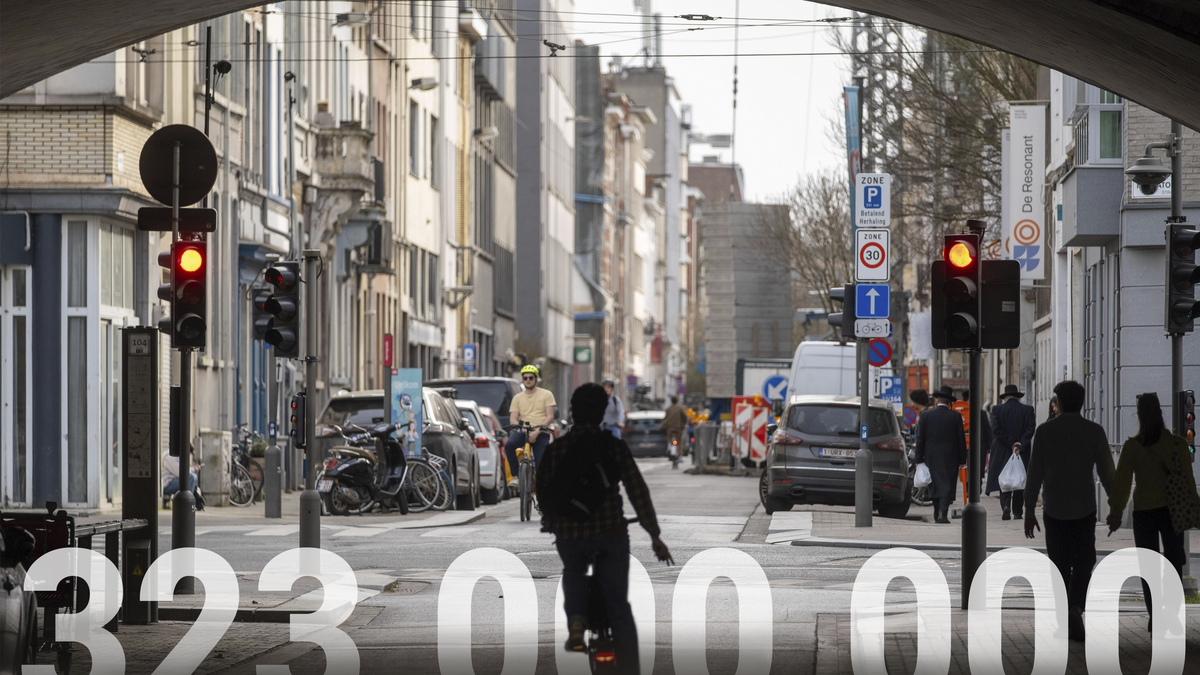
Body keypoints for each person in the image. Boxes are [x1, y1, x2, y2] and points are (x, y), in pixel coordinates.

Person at [538, 382, 673, 673]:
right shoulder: (613, 447)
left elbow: (544, 494)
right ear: (602, 413)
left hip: (570, 535)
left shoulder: (556, 450)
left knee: (573, 570)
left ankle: (576, 619)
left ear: (572, 412)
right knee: (618, 607)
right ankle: (630, 669)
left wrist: (552, 524)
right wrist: (654, 536)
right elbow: (638, 492)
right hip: (610, 534)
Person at [1023, 380, 1114, 641]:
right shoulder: (1094, 431)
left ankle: (1065, 616)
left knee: (1059, 566)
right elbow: (1108, 474)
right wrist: (1116, 507)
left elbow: (1034, 475)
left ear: (1058, 403)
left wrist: (1029, 510)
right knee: (1085, 563)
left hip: (1054, 510)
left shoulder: (1044, 432)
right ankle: (1076, 608)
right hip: (1084, 509)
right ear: (1082, 402)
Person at [1106, 392, 1196, 630]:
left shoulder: (1132, 447)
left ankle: (1156, 615)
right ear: (1160, 412)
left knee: (1149, 566)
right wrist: (1196, 507)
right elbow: (1188, 480)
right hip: (1171, 511)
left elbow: (1122, 483)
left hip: (1144, 513)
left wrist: (1116, 512)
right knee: (1174, 560)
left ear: (1139, 415)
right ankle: (1170, 611)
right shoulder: (1177, 444)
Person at [914, 386, 967, 524]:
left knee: (934, 484)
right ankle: (943, 513)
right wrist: (963, 459)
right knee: (947, 484)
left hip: (930, 456)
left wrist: (918, 458)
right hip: (951, 457)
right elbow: (961, 439)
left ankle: (937, 512)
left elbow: (920, 439)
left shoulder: (926, 415)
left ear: (937, 400)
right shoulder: (955, 416)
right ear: (950, 403)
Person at [987, 384, 1036, 520]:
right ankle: (1018, 511)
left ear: (1005, 398)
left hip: (1002, 448)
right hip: (1022, 450)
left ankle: (1006, 505)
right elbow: (1030, 429)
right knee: (1020, 479)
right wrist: (1020, 445)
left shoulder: (997, 410)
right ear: (1018, 397)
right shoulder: (1028, 410)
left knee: (1005, 479)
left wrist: (1010, 442)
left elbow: (996, 430)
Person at [505, 365, 557, 487]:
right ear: (523, 380)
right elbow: (513, 418)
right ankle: (516, 476)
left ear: (536, 379)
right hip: (523, 431)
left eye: (531, 378)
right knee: (509, 445)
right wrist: (521, 429)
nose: (528, 380)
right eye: (525, 378)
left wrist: (537, 432)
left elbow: (550, 416)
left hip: (541, 432)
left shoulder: (547, 394)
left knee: (541, 464)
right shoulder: (517, 398)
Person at [162, 445, 205, 510]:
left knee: (192, 478)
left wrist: (192, 469)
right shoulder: (170, 457)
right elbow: (179, 472)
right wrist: (193, 470)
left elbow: (182, 470)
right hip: (167, 485)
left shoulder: (176, 457)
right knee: (192, 477)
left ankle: (189, 501)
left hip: (173, 482)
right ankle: (186, 504)